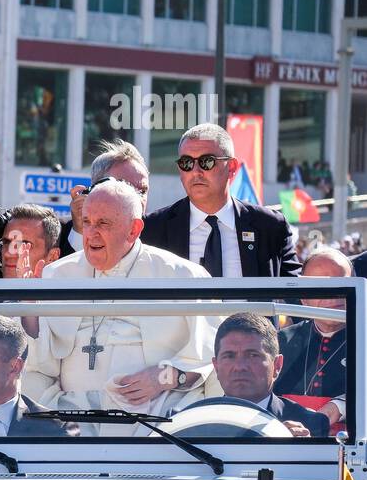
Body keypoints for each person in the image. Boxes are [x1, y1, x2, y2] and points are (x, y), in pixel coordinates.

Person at [23, 180, 214, 432]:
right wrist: (28, 307)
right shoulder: (57, 275)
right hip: (71, 416)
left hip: (154, 417)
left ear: (133, 230)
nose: (91, 233)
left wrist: (164, 377)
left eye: (103, 224)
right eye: (87, 221)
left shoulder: (183, 276)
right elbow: (38, 361)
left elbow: (208, 359)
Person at [141, 124, 300, 277]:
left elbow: (294, 295)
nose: (196, 172)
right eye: (187, 163)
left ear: (231, 167)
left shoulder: (270, 227)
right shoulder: (152, 229)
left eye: (207, 161)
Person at [208, 313, 328, 437]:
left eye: (252, 355)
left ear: (277, 365)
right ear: (216, 366)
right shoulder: (194, 423)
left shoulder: (311, 424)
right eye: (229, 356)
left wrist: (304, 451)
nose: (240, 366)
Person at [274, 246, 352, 403]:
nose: (331, 296)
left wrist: (341, 406)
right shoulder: (280, 341)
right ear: (304, 297)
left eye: (340, 285)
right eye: (320, 287)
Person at [64, 139, 150, 256]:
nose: (137, 198)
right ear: (96, 189)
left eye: (143, 191)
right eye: (125, 187)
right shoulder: (53, 233)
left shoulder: (161, 232)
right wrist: (81, 229)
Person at [2, 204, 62, 279]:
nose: (8, 254)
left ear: (52, 256)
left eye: (24, 245)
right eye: (6, 242)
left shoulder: (72, 289)